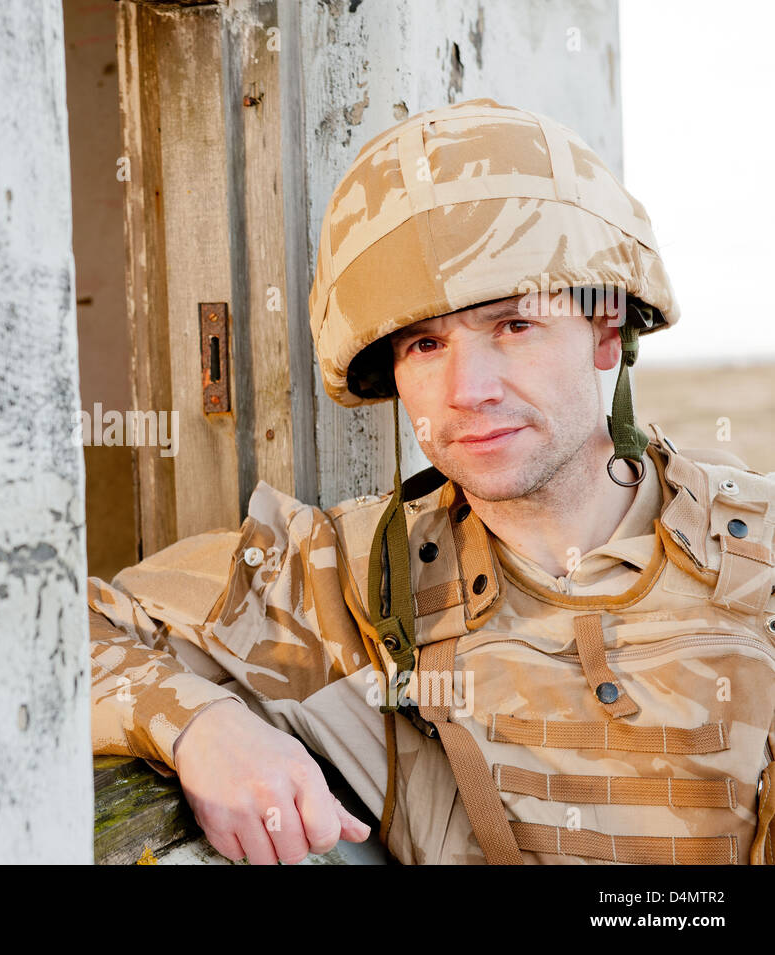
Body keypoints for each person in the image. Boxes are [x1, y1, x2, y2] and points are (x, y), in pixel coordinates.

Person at [88, 98, 775, 865]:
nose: (467, 388)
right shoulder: (348, 578)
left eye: (514, 325)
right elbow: (55, 631)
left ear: (606, 331)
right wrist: (197, 724)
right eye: (425, 344)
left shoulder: (760, 557)